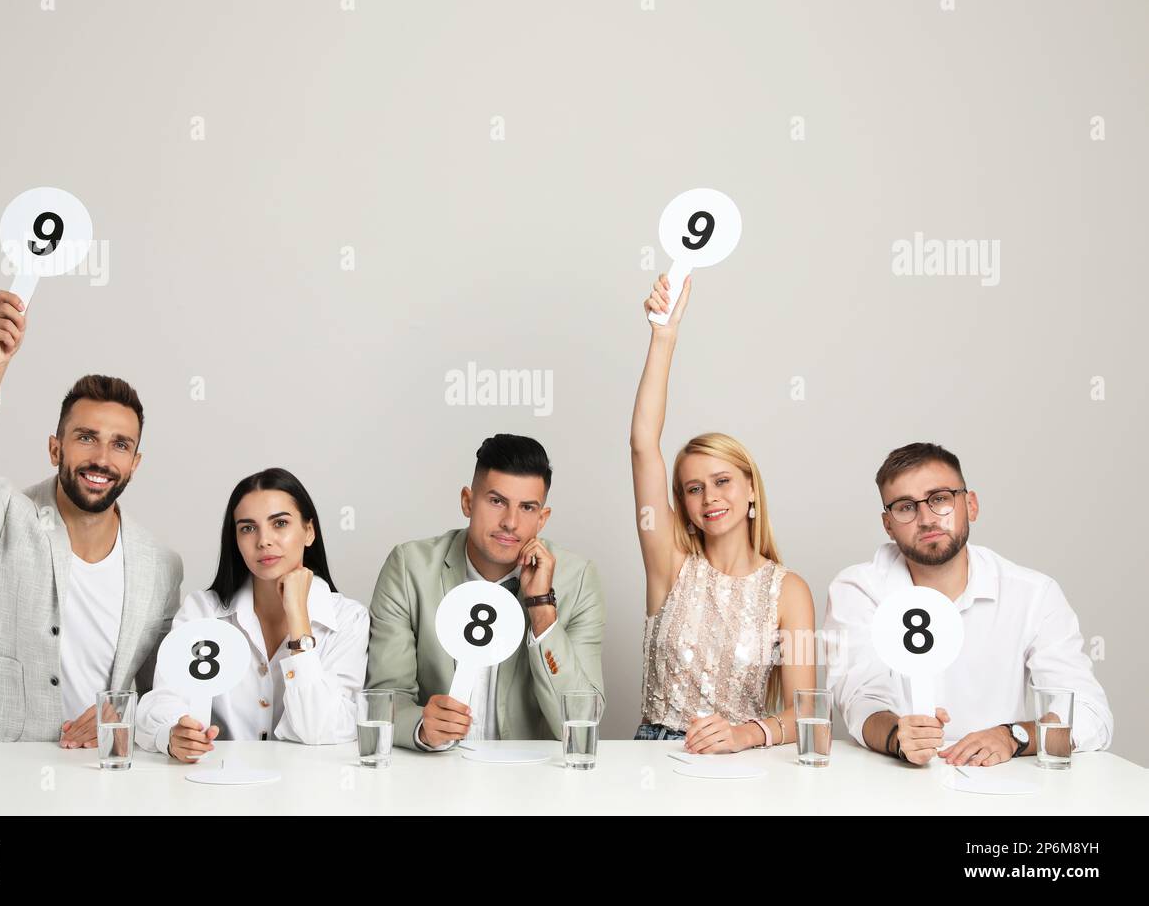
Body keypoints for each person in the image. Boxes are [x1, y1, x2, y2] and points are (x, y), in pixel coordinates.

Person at [0, 290, 182, 747]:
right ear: (55, 448)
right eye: (85, 437)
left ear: (135, 463)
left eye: (120, 445)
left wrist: (122, 718)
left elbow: (161, 691)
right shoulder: (3, 519)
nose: (101, 458)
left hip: (96, 778)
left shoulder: (161, 566)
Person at [824, 442, 1114, 766]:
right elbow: (860, 700)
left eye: (940, 499)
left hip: (1001, 783)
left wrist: (1013, 736)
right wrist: (899, 738)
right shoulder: (859, 589)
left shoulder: (1033, 594)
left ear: (971, 505)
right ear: (888, 525)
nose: (926, 519)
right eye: (906, 507)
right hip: (895, 782)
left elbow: (1091, 716)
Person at [629, 273, 816, 753]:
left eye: (722, 481)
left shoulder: (788, 591)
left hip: (739, 759)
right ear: (685, 505)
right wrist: (663, 336)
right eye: (694, 488)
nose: (710, 497)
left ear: (751, 489)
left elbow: (805, 712)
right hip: (652, 757)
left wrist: (744, 734)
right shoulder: (670, 564)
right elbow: (643, 444)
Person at [364, 434, 605, 750]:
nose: (510, 523)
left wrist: (542, 611)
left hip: (530, 781)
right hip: (433, 777)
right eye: (496, 501)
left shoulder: (578, 579)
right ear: (467, 501)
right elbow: (385, 698)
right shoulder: (410, 568)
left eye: (527, 507)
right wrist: (421, 725)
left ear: (542, 519)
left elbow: (581, 719)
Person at [135, 468, 369, 758]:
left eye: (280, 523)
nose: (263, 541)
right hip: (217, 787)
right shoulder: (203, 611)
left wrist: (298, 617)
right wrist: (171, 734)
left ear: (308, 531)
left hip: (309, 790)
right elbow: (162, 701)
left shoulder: (348, 619)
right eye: (247, 528)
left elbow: (320, 729)